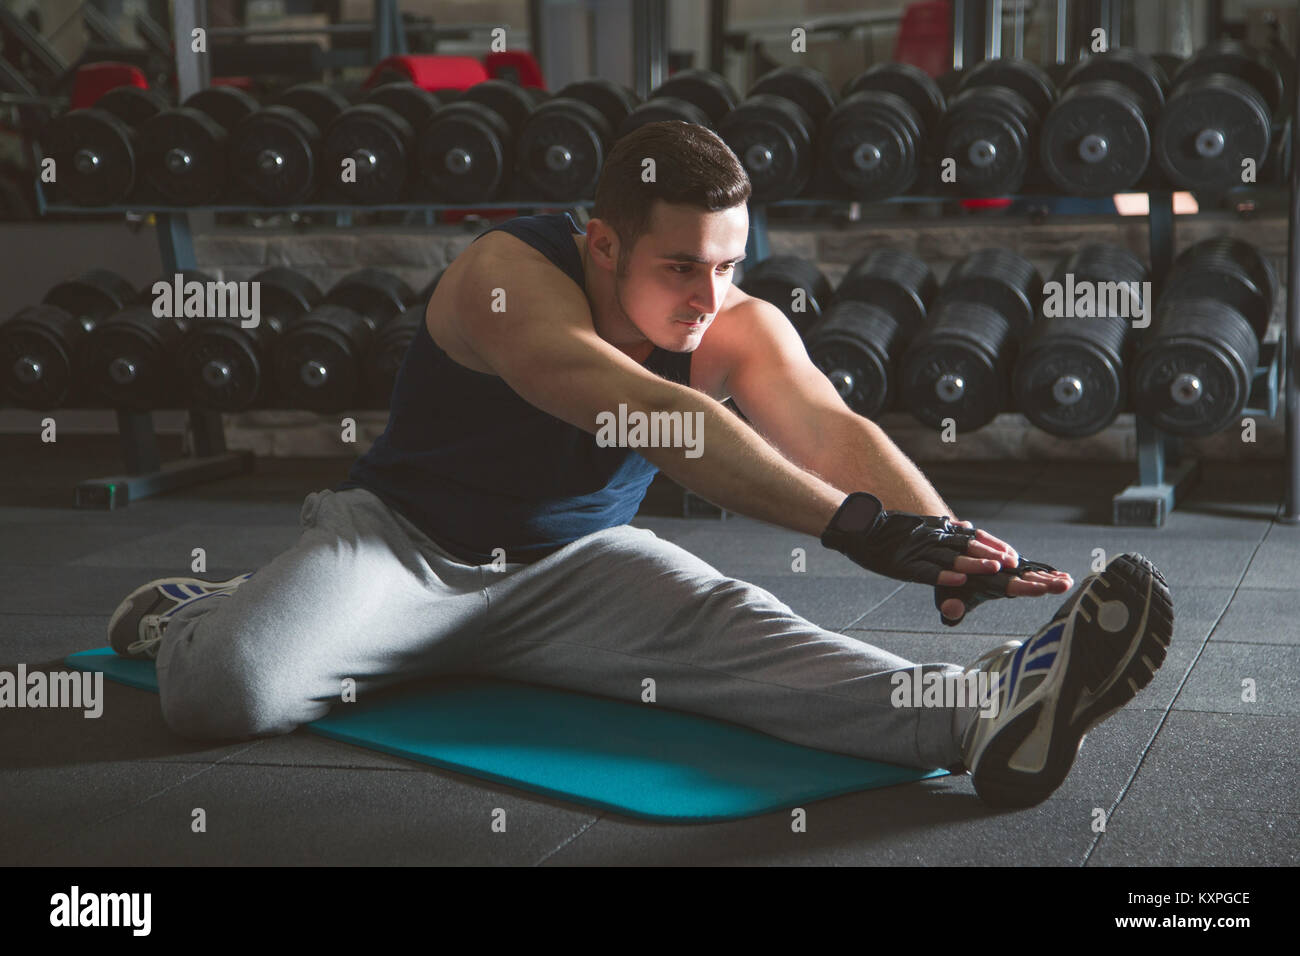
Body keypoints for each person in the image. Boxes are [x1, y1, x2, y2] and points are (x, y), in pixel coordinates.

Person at [108, 121, 1172, 809]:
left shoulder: (728, 316)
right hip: (405, 549)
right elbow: (655, 417)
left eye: (727, 263)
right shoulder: (507, 278)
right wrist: (857, 528)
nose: (707, 298)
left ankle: (989, 707)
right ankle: (193, 611)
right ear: (603, 243)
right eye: (679, 267)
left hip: (578, 566)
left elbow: (824, 424)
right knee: (228, 688)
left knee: (747, 630)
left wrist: (947, 540)